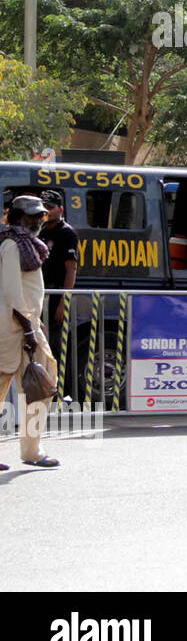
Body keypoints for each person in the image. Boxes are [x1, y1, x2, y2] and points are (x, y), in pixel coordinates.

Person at [0, 195, 60, 470]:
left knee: (41, 385)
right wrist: (28, 328)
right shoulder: (12, 244)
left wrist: (34, 323)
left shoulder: (24, 243)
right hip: (13, 327)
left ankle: (32, 450)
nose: (37, 220)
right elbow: (12, 292)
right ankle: (32, 451)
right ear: (15, 217)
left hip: (25, 324)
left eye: (40, 216)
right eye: (31, 216)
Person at [38, 190, 78, 345]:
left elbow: (71, 269)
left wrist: (63, 301)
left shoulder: (66, 233)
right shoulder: (42, 231)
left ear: (60, 210)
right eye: (44, 207)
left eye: (50, 207)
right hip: (42, 294)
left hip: (56, 295)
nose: (46, 211)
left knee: (53, 343)